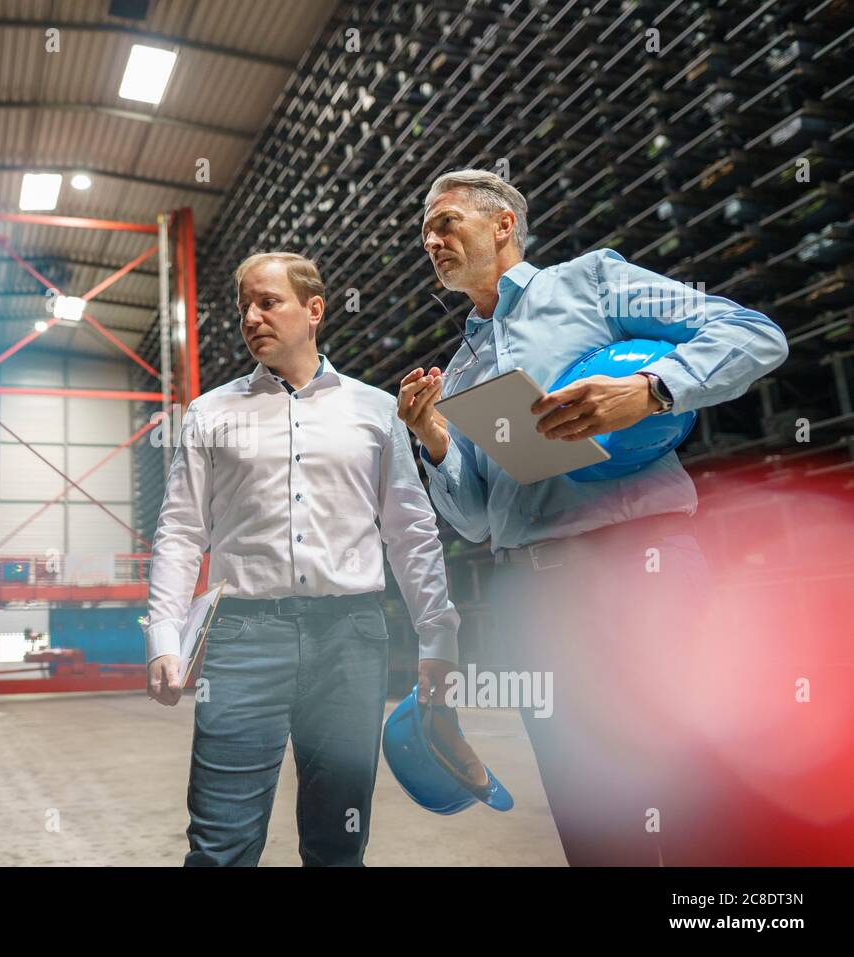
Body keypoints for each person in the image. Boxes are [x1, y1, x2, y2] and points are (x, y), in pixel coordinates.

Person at [397, 168, 789, 865]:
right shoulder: (458, 373)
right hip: (535, 598)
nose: (431, 239)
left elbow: (754, 333)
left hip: (642, 572)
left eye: (445, 221)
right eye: (425, 231)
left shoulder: (591, 283)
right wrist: (432, 440)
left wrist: (651, 389)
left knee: (695, 794)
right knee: (591, 819)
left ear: (502, 225)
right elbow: (478, 518)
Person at [144, 252, 460, 866]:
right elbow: (181, 531)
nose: (252, 318)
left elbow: (410, 530)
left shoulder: (374, 411)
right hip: (242, 639)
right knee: (219, 843)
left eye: (268, 302)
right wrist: (164, 636)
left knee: (338, 843)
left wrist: (437, 637)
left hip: (350, 637)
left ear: (314, 310)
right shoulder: (212, 413)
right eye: (244, 308)